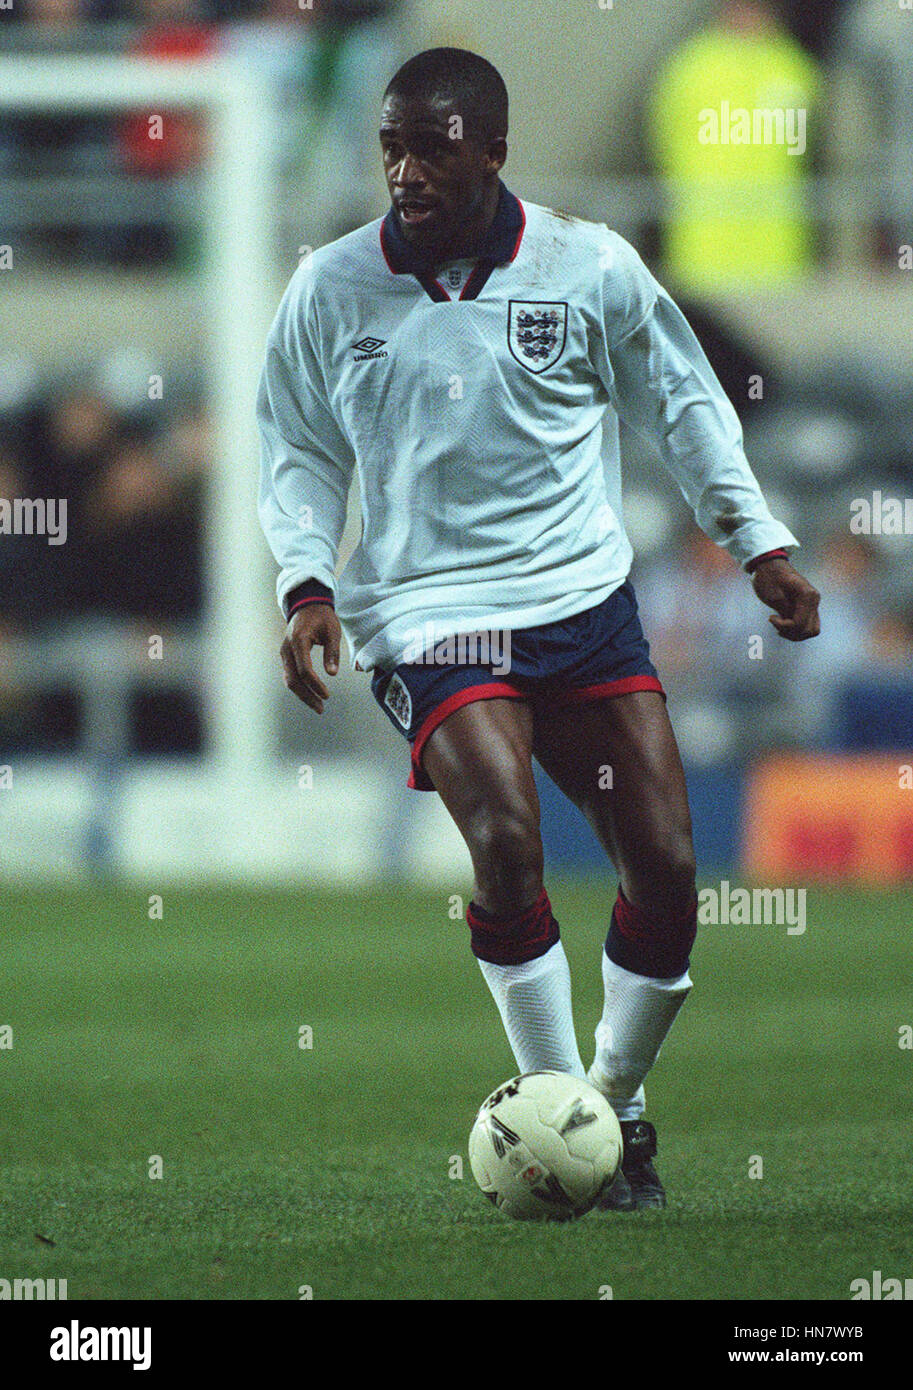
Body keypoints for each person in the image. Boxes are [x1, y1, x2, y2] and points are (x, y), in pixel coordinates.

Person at [257, 49, 821, 1210]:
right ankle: (558, 1098)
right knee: (507, 843)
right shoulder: (329, 288)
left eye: (433, 146)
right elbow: (299, 446)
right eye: (391, 146)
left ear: (494, 150)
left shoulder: (587, 265)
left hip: (581, 605)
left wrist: (757, 539)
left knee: (666, 868)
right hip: (426, 616)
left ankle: (606, 1105)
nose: (407, 171)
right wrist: (307, 582)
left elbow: (681, 400)